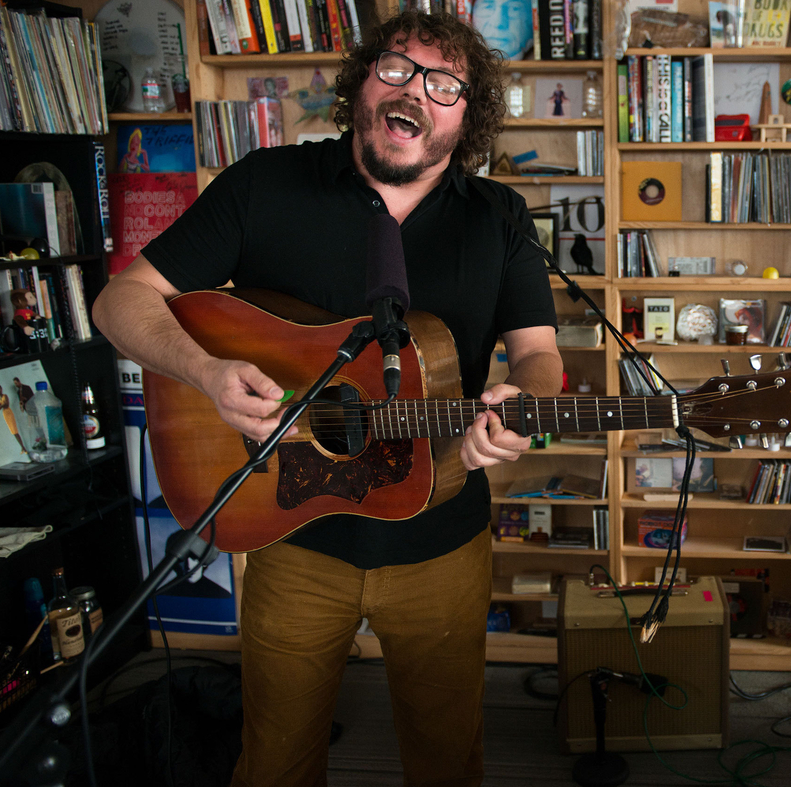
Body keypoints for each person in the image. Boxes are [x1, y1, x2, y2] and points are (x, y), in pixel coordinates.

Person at [92, 12, 562, 787]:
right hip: (293, 540)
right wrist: (207, 371)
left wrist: (521, 399)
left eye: (443, 84)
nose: (414, 90)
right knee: (274, 761)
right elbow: (122, 303)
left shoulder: (498, 218)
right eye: (396, 68)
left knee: (448, 761)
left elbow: (541, 357)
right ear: (363, 81)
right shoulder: (265, 184)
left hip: (441, 544)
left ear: (467, 116)